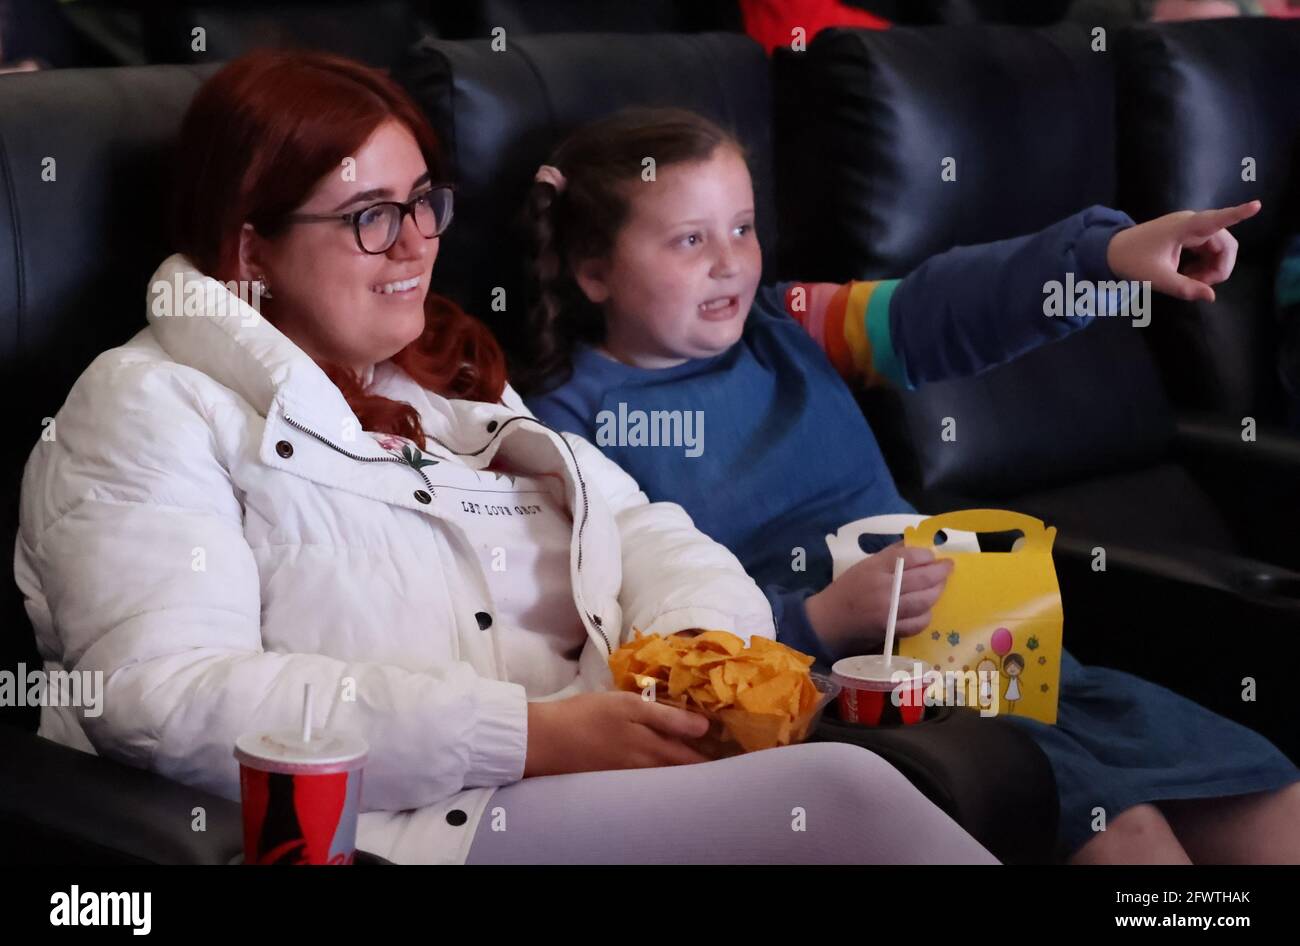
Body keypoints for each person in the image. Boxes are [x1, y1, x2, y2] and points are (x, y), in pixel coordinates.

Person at [14, 52, 999, 865]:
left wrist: (697, 655)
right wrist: (529, 736)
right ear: (252, 249)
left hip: (593, 748)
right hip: (414, 822)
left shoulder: (436, 372)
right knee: (845, 802)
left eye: (423, 203)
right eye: (369, 217)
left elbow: (642, 526)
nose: (414, 247)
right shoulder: (144, 405)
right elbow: (164, 696)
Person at [522, 106, 1300, 864]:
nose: (729, 260)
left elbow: (939, 309)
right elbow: (630, 646)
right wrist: (821, 618)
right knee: (1126, 834)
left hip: (989, 658)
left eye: (743, 227)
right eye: (690, 239)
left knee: (1268, 792)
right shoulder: (562, 427)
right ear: (594, 271)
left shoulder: (790, 324)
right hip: (844, 696)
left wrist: (1105, 255)